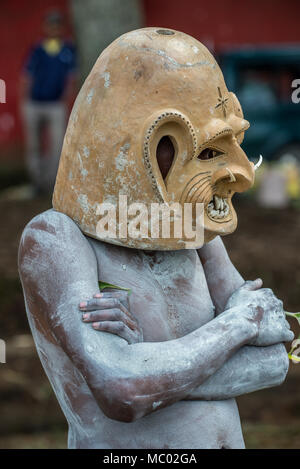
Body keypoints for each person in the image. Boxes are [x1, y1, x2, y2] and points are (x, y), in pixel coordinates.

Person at [18, 28, 293, 449]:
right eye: (210, 151)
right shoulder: (56, 238)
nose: (243, 173)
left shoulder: (191, 230)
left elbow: (276, 359)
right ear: (155, 146)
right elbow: (121, 391)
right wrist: (240, 323)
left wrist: (151, 372)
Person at [20, 10, 77, 194]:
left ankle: (53, 185)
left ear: (62, 28)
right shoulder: (37, 49)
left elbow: (71, 78)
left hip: (56, 106)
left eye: (57, 25)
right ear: (45, 27)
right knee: (34, 146)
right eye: (51, 24)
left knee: (57, 146)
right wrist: (24, 102)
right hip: (34, 104)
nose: (54, 28)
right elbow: (26, 77)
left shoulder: (68, 49)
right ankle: (38, 183)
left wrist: (65, 100)